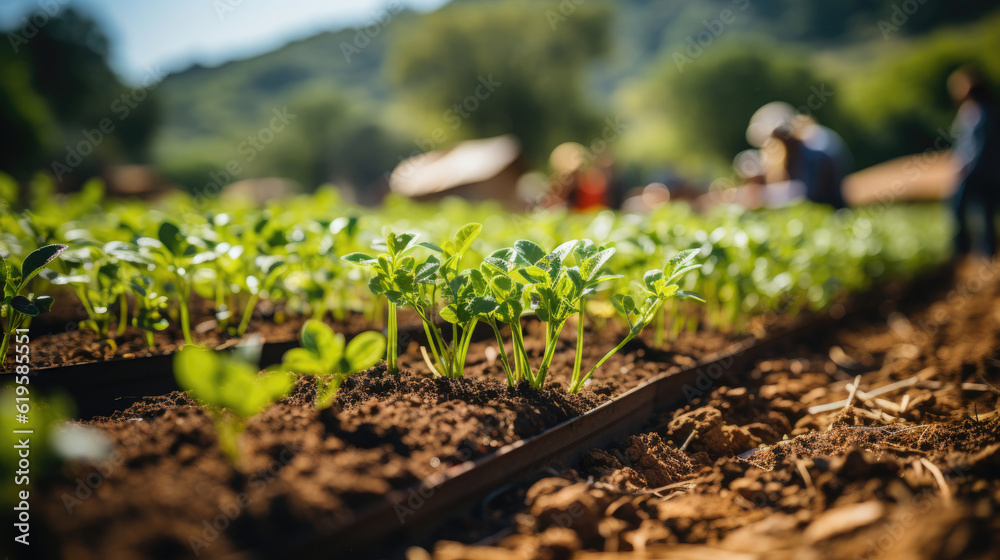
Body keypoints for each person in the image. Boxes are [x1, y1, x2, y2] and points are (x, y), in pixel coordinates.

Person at [948, 65, 1000, 257]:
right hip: (976, 171)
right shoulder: (970, 111)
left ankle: (976, 251)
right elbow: (962, 144)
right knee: (978, 210)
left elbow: (979, 147)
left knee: (979, 209)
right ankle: (973, 250)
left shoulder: (983, 112)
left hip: (980, 172)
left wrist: (966, 169)